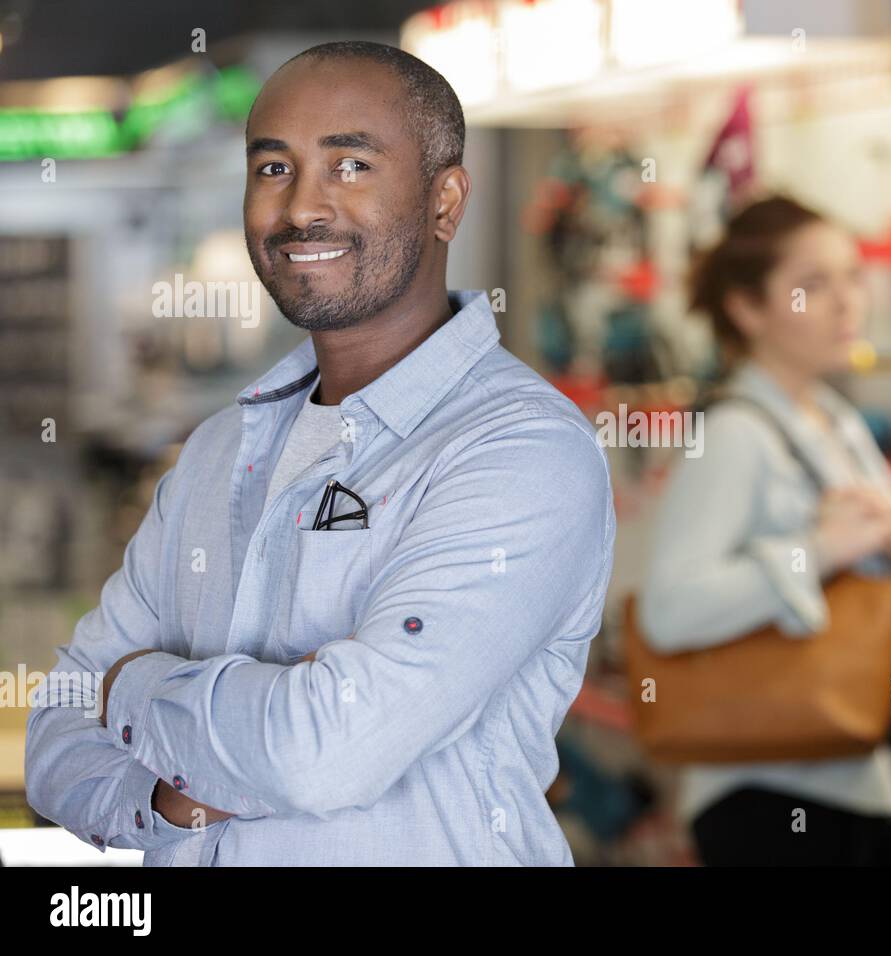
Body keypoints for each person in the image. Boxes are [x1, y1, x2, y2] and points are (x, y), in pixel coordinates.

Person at [25, 41, 615, 866]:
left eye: (350, 165)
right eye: (272, 168)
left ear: (446, 201)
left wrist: (134, 684)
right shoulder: (220, 448)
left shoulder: (519, 451)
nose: (302, 206)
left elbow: (321, 753)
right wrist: (166, 801)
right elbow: (55, 730)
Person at [637, 195, 891, 866]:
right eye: (811, 286)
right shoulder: (734, 436)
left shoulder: (836, 422)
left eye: (852, 276)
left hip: (864, 777)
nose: (848, 302)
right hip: (770, 794)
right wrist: (817, 550)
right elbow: (668, 610)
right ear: (748, 308)